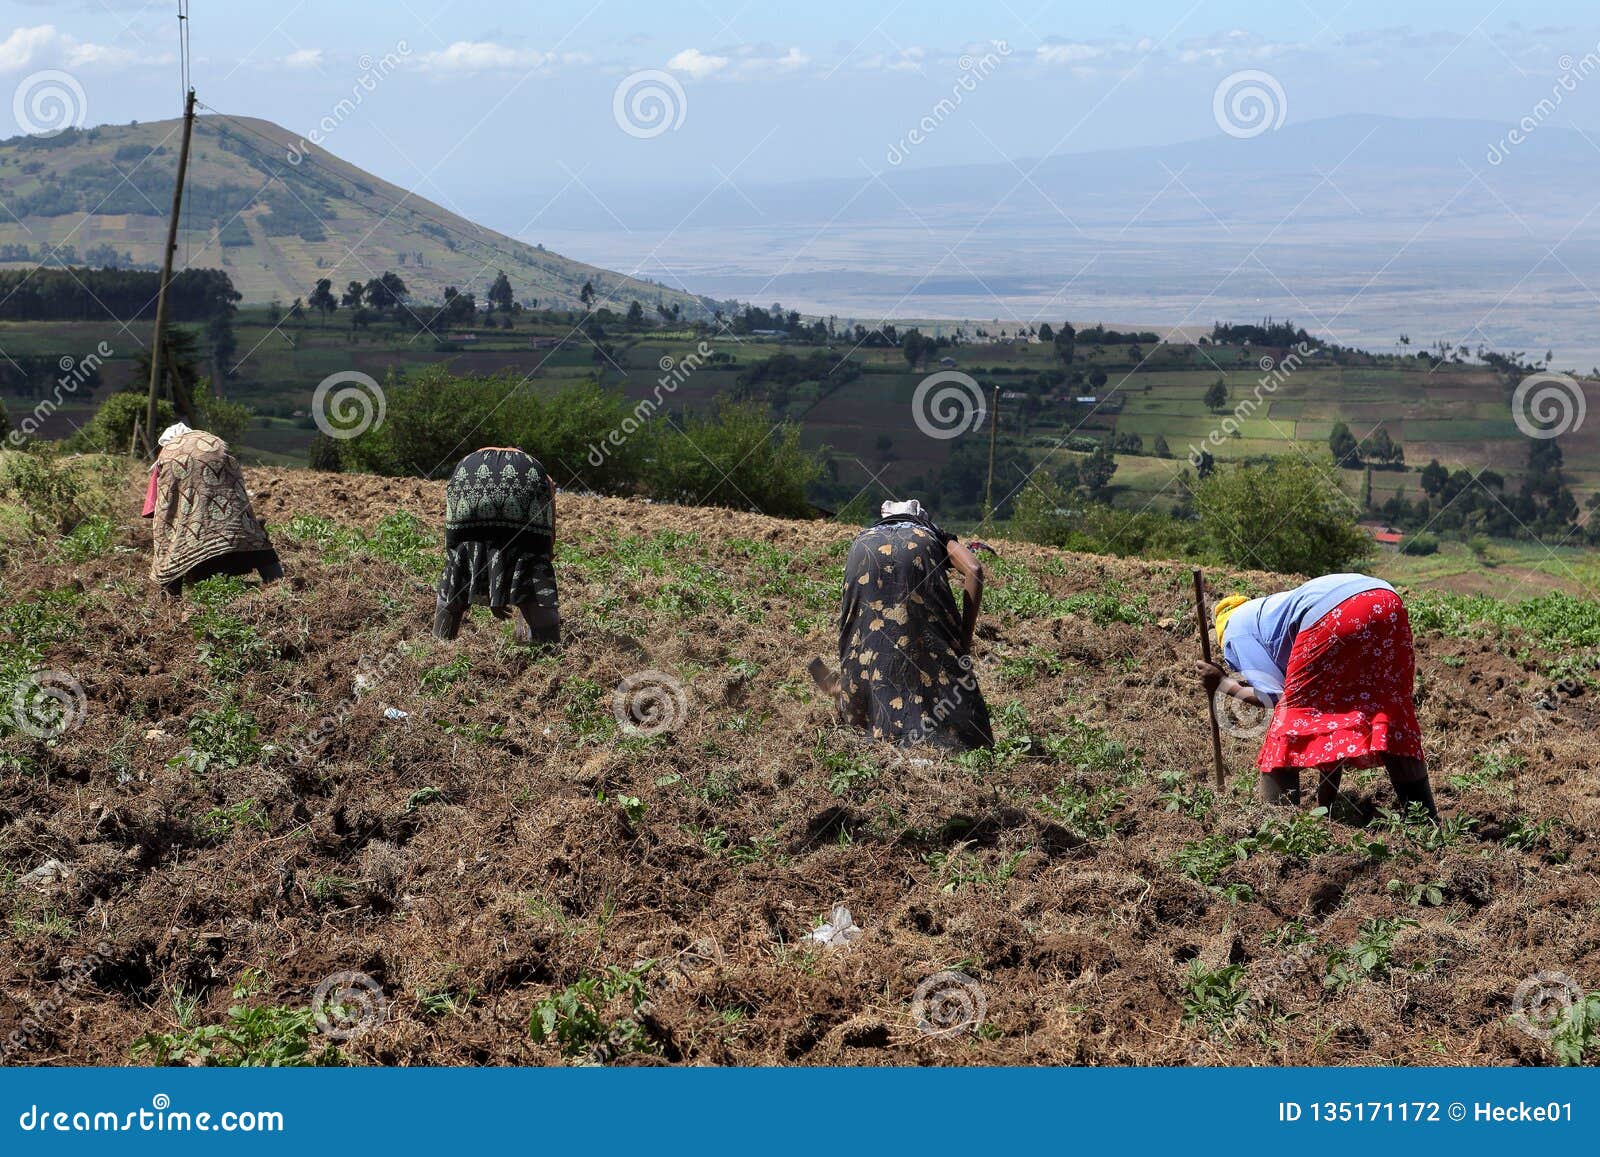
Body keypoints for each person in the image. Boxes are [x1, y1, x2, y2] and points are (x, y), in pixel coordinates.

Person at [1195, 573, 1438, 819]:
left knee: (1290, 719)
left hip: (1337, 612)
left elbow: (1273, 698)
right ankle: (1425, 821)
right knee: (1387, 709)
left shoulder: (1236, 630)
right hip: (1387, 602)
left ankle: (1277, 825)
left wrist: (1223, 684)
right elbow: (1328, 722)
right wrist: (1326, 808)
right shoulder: (1271, 612)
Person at [817, 499, 993, 750]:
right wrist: (962, 642)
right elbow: (974, 569)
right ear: (923, 519)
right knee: (938, 654)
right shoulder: (930, 533)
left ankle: (861, 724)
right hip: (916, 552)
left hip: (861, 552)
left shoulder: (866, 535)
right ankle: (964, 745)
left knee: (866, 643)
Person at [433, 446, 560, 647]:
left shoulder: (472, 457)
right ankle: (549, 648)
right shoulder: (533, 467)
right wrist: (545, 551)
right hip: (526, 492)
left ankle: (440, 644)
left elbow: (456, 538)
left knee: (459, 564)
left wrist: (454, 552)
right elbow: (549, 511)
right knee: (531, 565)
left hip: (466, 477)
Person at [143, 423, 283, 597]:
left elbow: (154, 509)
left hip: (192, 542)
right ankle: (278, 583)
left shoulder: (167, 455)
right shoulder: (209, 444)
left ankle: (170, 600)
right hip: (230, 523)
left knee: (169, 539)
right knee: (250, 529)